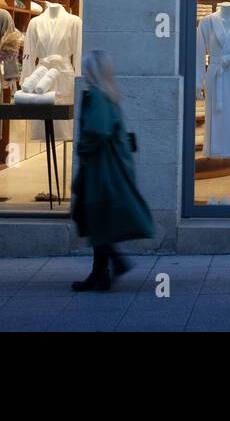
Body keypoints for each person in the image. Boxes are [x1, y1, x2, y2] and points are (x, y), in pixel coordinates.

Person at [70, 49, 155, 291]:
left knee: (93, 214)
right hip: (107, 166)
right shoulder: (108, 94)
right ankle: (106, 269)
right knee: (98, 216)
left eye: (85, 67)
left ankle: (109, 267)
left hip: (101, 168)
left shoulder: (97, 96)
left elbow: (98, 130)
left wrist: (83, 148)